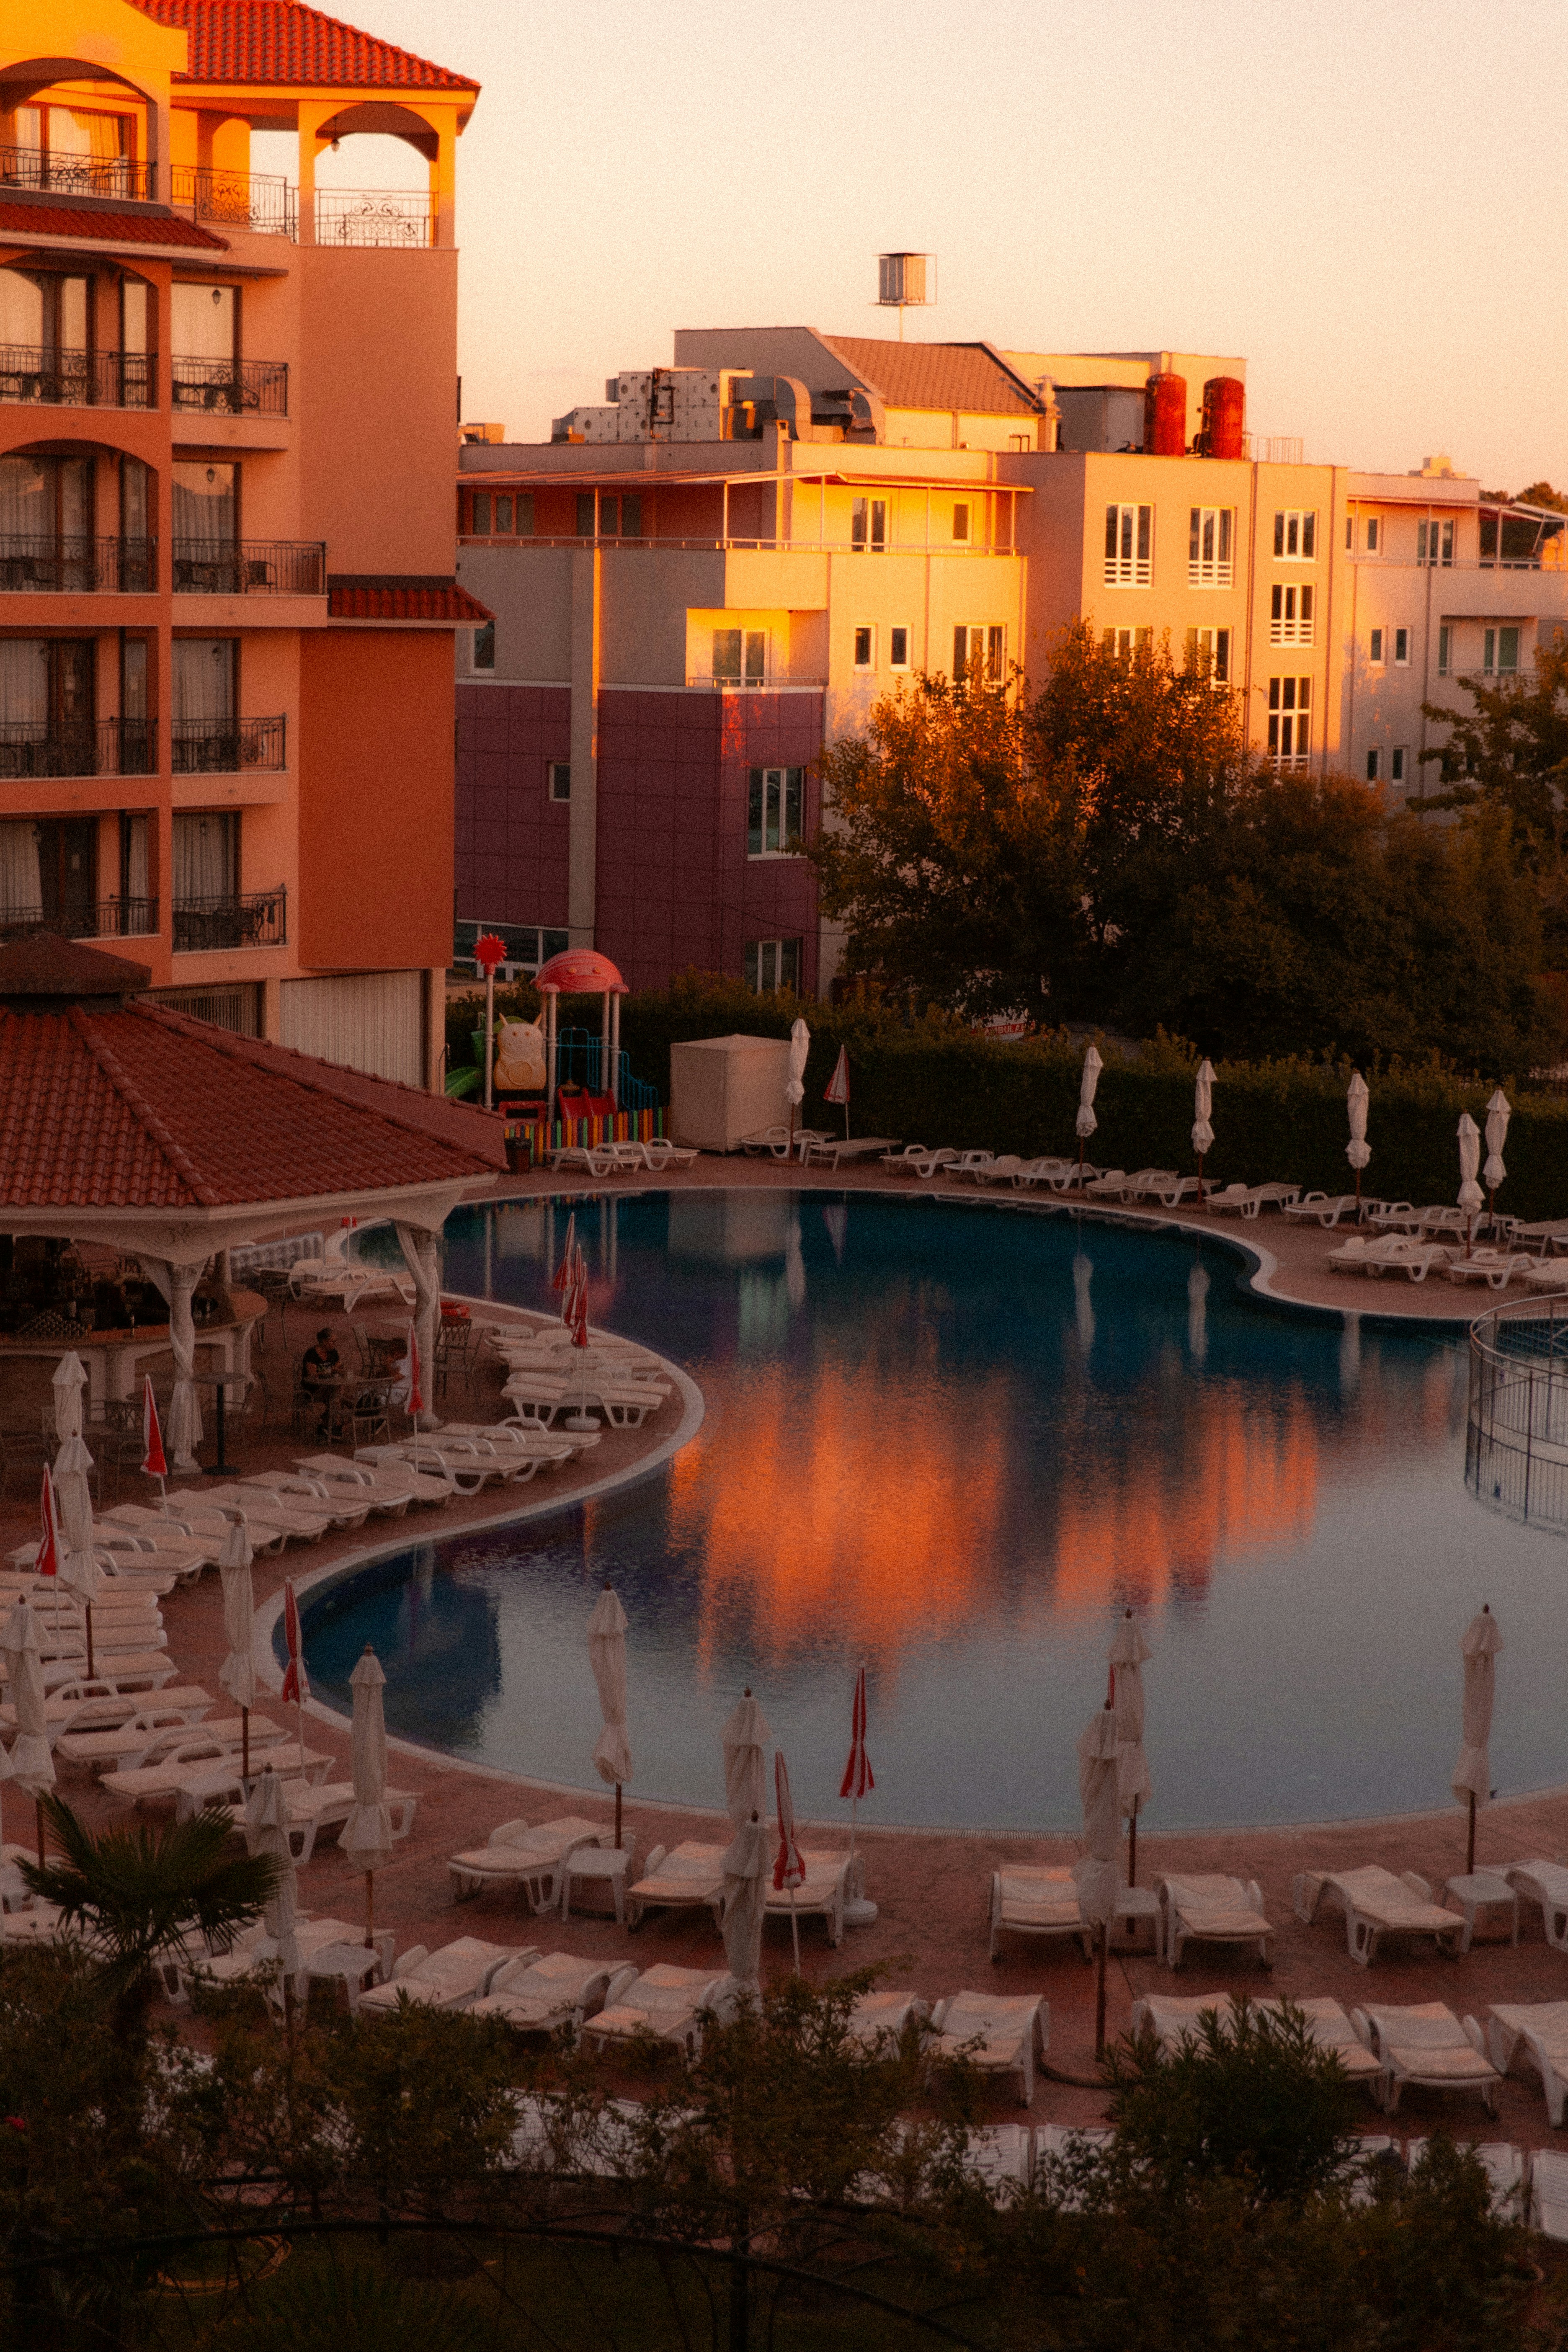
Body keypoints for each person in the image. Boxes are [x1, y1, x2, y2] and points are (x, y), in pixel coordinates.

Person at [301, 1326, 341, 1439]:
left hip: (329, 1388)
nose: (335, 1344)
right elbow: (312, 1374)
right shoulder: (312, 1354)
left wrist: (339, 1369)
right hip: (313, 1390)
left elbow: (339, 1366)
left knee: (337, 1394)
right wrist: (330, 1370)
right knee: (336, 1397)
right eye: (333, 1341)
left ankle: (327, 1425)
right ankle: (331, 1425)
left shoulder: (333, 1353)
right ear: (324, 1342)